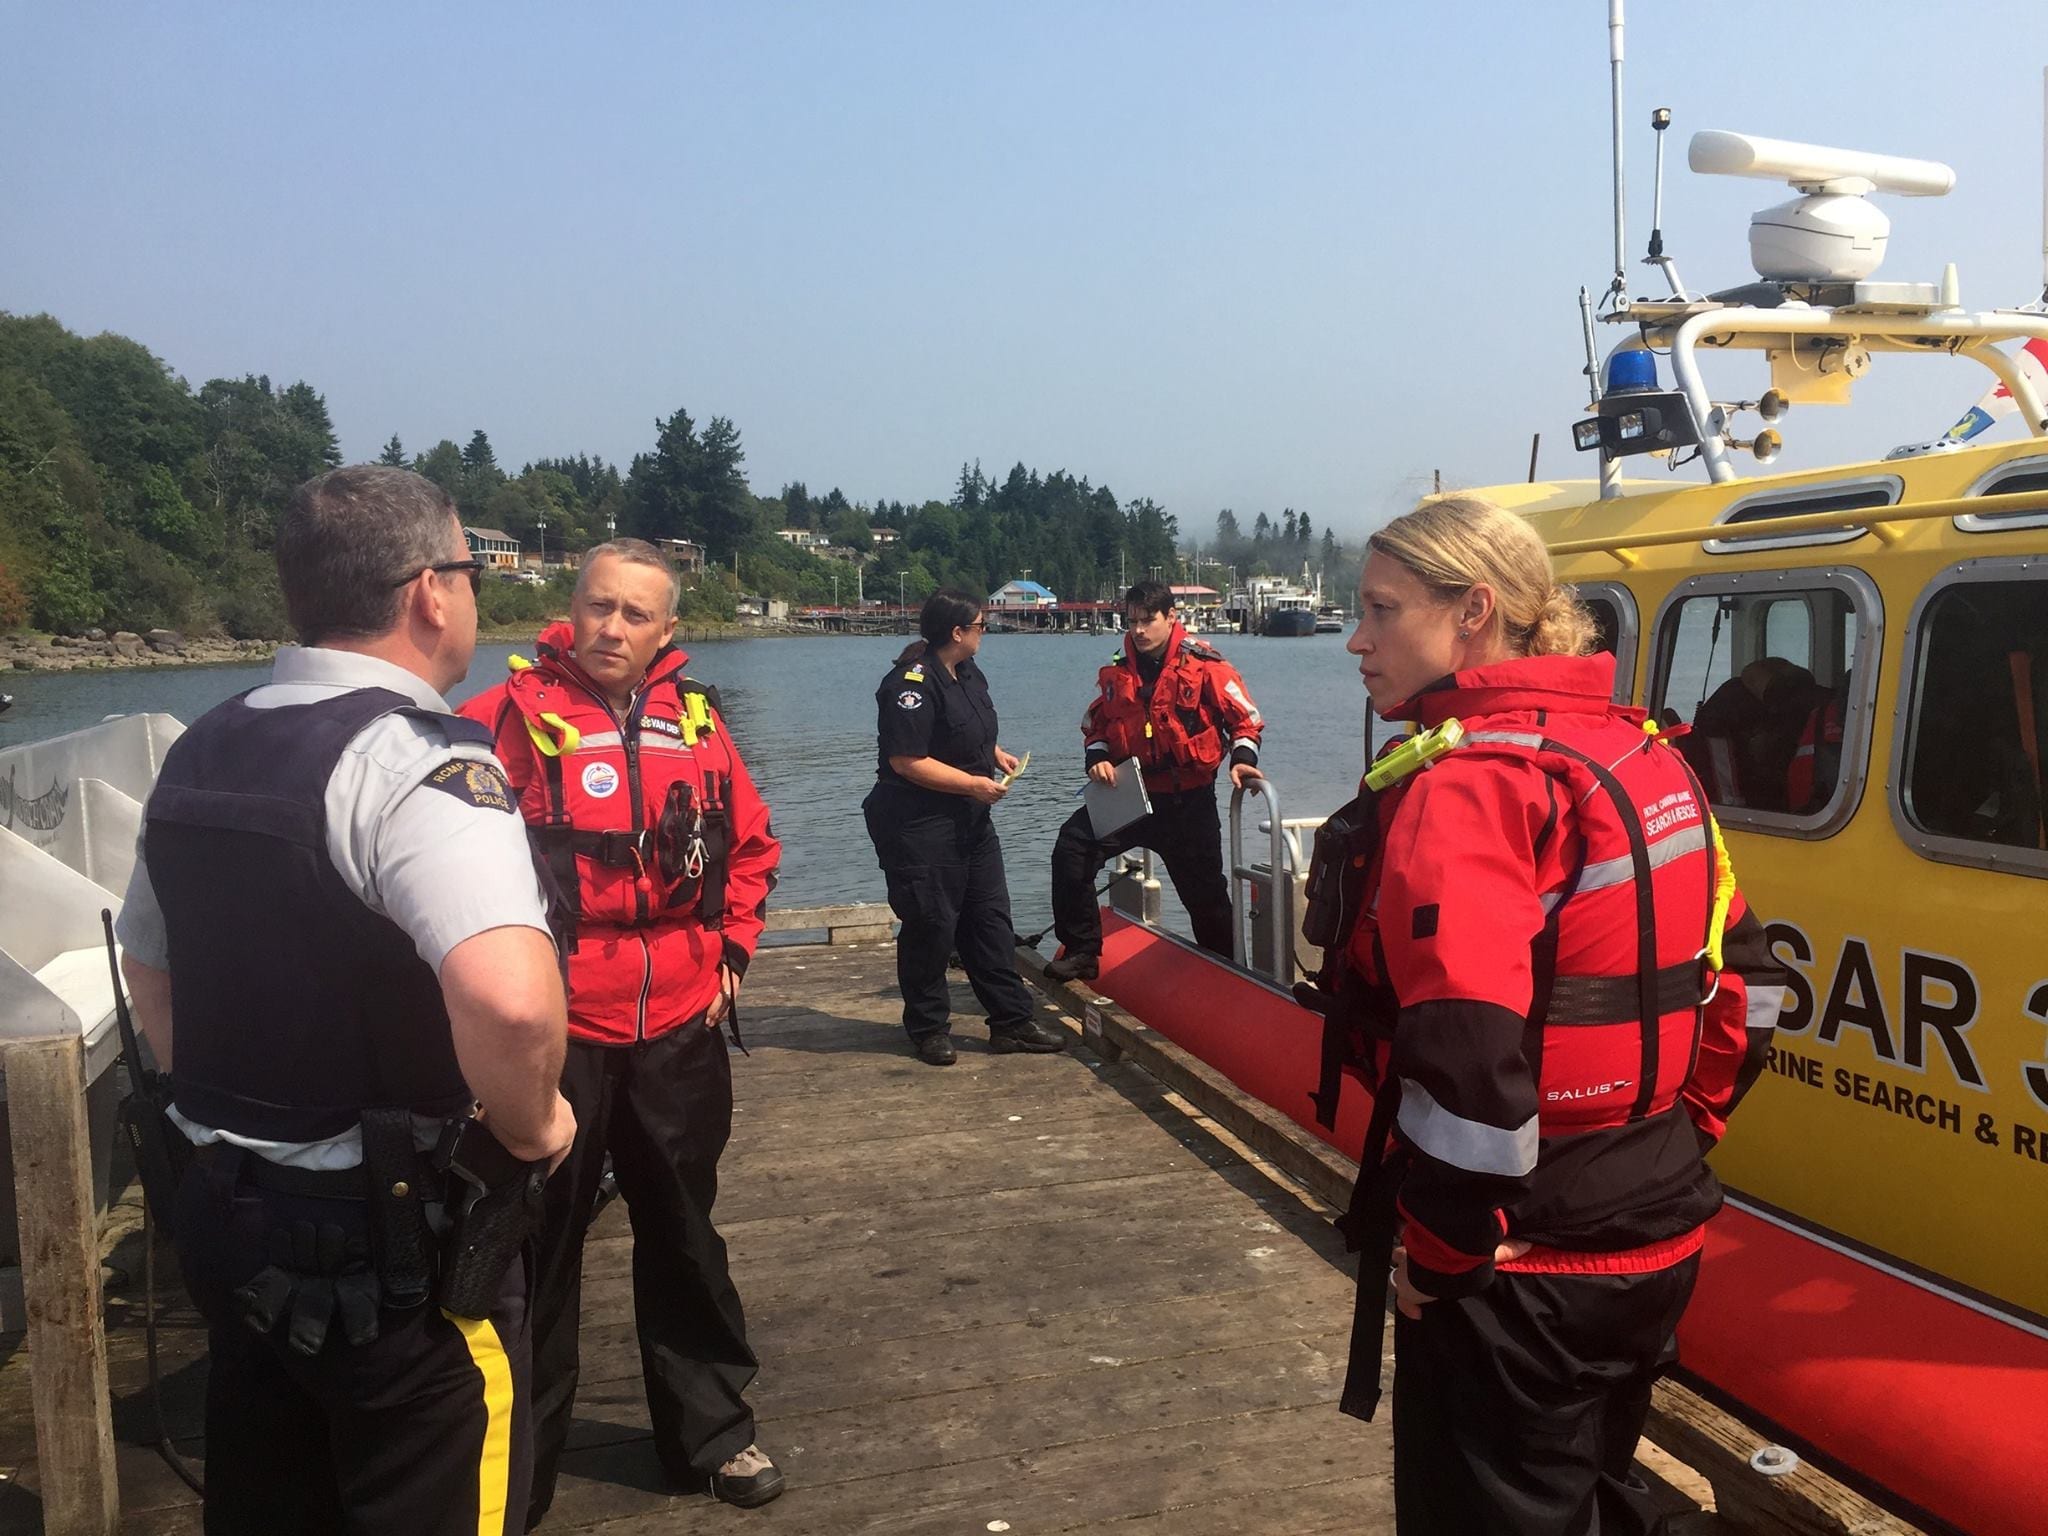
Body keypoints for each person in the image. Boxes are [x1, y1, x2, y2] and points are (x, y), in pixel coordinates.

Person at [115, 465, 577, 1535]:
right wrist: (537, 1123)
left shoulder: (202, 747)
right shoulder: (418, 765)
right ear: (429, 591)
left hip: (232, 1221)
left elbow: (152, 971)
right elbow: (509, 1003)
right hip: (397, 1257)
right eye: (470, 572)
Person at [1331, 496, 1787, 1536]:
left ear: (1472, 613)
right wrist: (1684, 1128)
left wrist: (1440, 1259)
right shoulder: (1642, 754)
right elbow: (1754, 979)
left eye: (1380, 610)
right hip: (1656, 1232)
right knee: (1590, 1490)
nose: (1356, 639)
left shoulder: (1470, 786)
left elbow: (1461, 1060)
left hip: (1519, 1275)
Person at [460, 539, 785, 1522]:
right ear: (573, 607)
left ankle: (713, 1434)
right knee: (536, 1254)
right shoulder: (500, 721)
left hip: (680, 1022)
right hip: (554, 1029)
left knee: (685, 1234)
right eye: (597, 606)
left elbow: (753, 846)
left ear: (665, 631)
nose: (610, 627)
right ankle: (518, 1469)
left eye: (633, 615)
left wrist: (731, 951)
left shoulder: (699, 724)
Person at [863, 589, 1068, 1065]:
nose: (984, 633)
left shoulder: (969, 673)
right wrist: (973, 784)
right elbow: (907, 760)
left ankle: (1012, 1021)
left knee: (991, 921)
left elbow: (965, 729)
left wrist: (993, 756)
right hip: (919, 823)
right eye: (980, 626)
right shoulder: (910, 684)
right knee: (932, 924)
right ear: (957, 633)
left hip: (970, 821)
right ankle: (928, 1026)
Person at [1044, 579, 1265, 980]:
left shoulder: (1207, 667)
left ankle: (1228, 977)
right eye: (1132, 622)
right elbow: (1096, 724)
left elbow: (1246, 721)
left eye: (1148, 621)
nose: (1140, 630)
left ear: (1171, 618)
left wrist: (1243, 760)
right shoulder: (1117, 670)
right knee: (1070, 850)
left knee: (1207, 899)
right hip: (1130, 794)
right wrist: (1097, 759)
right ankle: (1082, 950)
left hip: (1188, 801)